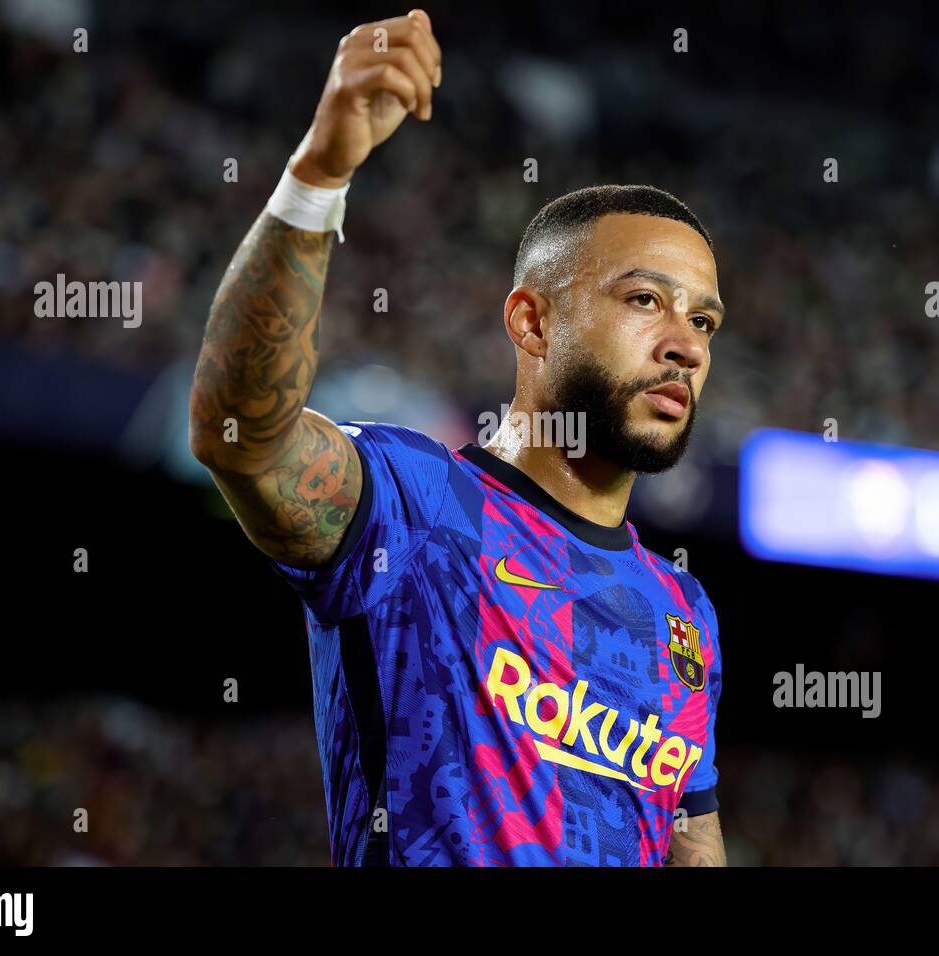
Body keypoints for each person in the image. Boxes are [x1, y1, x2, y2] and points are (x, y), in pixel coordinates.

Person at [189, 8, 726, 866]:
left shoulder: (682, 615)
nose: (687, 344)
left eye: (704, 319)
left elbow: (692, 844)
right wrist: (319, 174)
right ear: (533, 321)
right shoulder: (412, 503)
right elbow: (240, 435)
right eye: (644, 300)